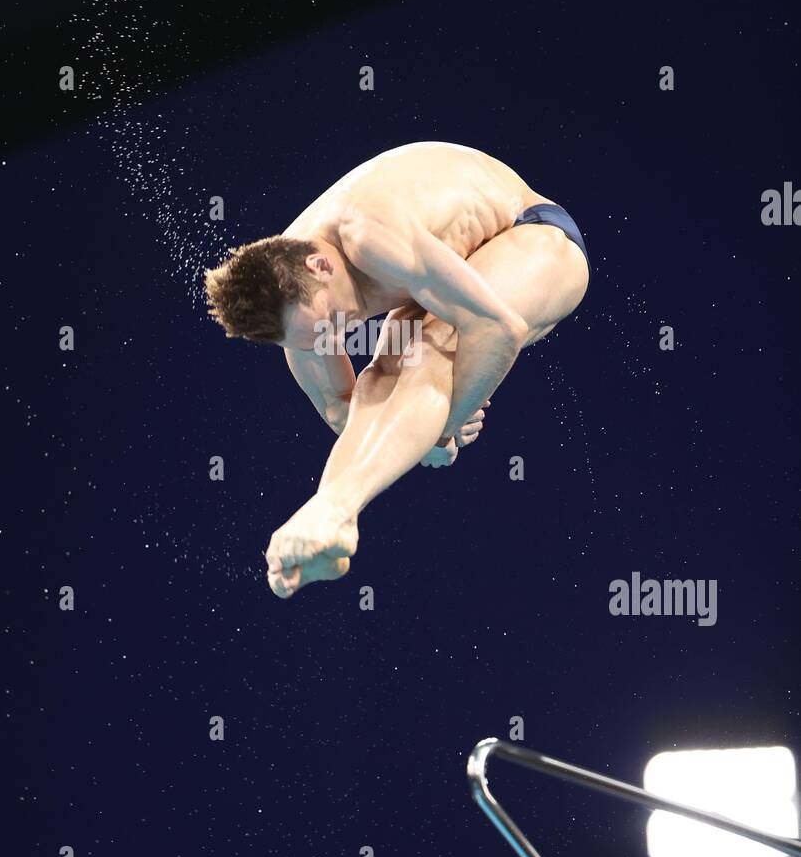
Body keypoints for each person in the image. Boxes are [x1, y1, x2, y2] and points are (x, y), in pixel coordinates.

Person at [204, 141, 590, 598]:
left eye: (332, 322)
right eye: (317, 339)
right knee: (381, 373)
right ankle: (330, 523)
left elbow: (498, 327)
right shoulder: (300, 324)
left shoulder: (368, 234)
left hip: (537, 234)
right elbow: (343, 412)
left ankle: (335, 511)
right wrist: (411, 437)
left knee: (430, 345)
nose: (336, 335)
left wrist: (441, 426)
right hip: (458, 273)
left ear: (320, 264)